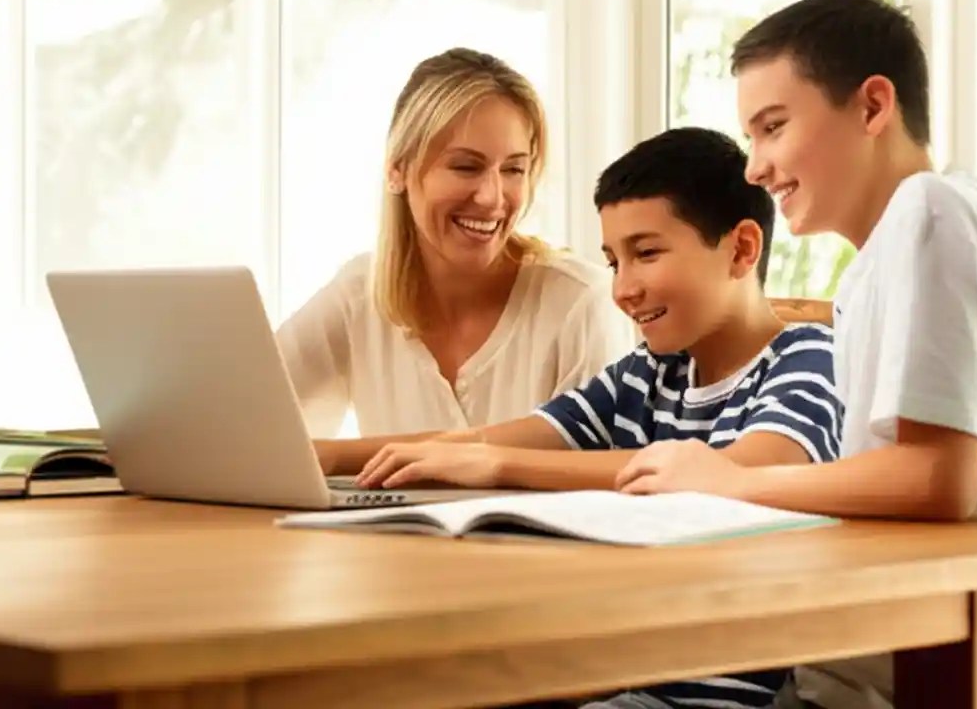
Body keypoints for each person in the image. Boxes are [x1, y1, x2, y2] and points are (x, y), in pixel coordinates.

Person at [617, 0, 977, 708]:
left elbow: (935, 479)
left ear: (873, 107)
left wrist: (723, 477)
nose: (754, 168)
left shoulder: (930, 213)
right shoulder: (885, 259)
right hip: (903, 668)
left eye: (773, 128)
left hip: (960, 679)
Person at [333, 126, 843, 709]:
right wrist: (319, 456)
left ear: (742, 249)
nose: (623, 289)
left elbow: (747, 469)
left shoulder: (806, 356)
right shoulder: (645, 374)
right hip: (605, 683)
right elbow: (474, 441)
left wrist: (497, 466)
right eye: (613, 260)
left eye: (646, 254)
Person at [275, 47, 630, 445]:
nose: (493, 197)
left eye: (514, 169)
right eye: (466, 166)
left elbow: (604, 481)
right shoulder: (358, 293)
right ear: (398, 168)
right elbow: (251, 419)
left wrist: (347, 458)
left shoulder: (581, 303)